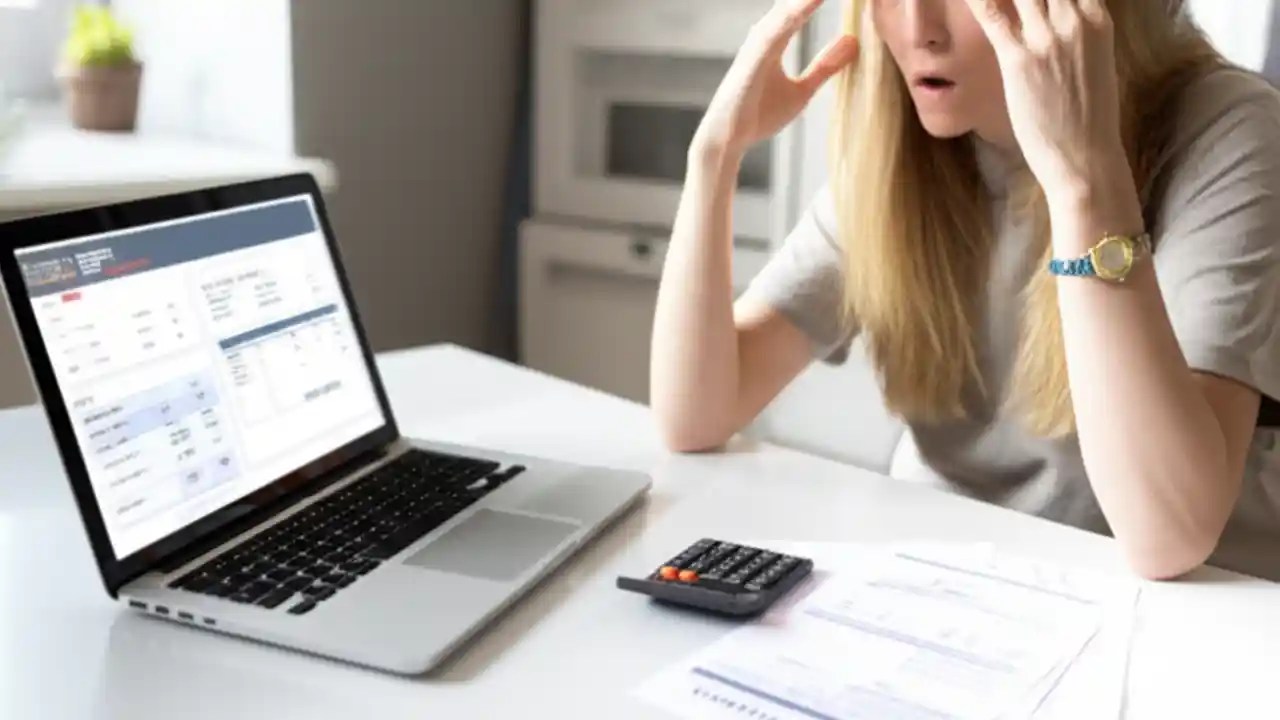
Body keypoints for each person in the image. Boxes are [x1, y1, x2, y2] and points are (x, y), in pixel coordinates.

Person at [651, 0, 1280, 581]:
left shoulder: (1230, 127)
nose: (917, 28)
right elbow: (697, 415)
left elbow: (1168, 536)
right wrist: (714, 156)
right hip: (945, 580)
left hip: (1169, 610)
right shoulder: (906, 155)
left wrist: (1084, 180)